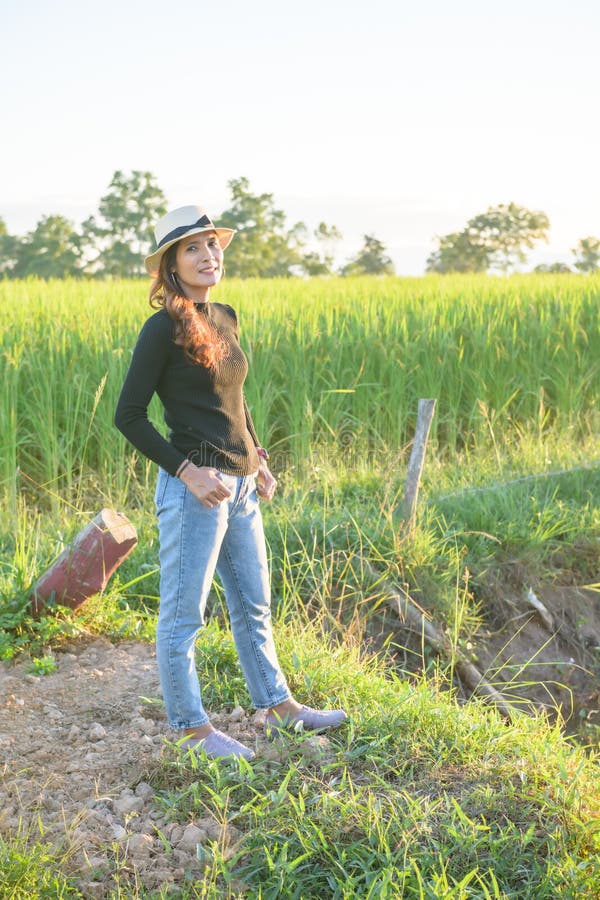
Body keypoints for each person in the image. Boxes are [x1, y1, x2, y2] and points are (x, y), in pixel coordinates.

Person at [115, 205, 347, 760]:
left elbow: (232, 401)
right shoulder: (161, 329)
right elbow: (128, 415)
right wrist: (186, 471)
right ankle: (192, 731)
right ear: (171, 264)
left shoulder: (226, 317)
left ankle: (280, 707)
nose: (207, 255)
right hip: (195, 489)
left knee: (254, 604)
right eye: (193, 248)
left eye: (213, 245)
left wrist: (257, 456)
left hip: (241, 485)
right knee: (183, 614)